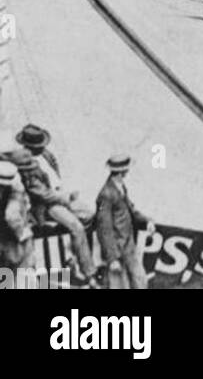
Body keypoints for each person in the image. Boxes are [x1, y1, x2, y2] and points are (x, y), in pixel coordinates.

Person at [12, 124, 96, 285]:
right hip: (47, 206)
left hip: (61, 195)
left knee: (90, 214)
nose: (42, 148)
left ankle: (73, 255)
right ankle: (88, 272)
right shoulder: (25, 166)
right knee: (76, 226)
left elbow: (56, 177)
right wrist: (65, 199)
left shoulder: (46, 155)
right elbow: (42, 194)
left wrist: (68, 193)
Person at [95, 152, 153, 289]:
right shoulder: (106, 194)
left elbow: (131, 210)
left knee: (141, 281)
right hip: (117, 250)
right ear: (122, 172)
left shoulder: (120, 187)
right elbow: (105, 229)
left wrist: (147, 221)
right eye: (127, 169)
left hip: (128, 246)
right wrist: (112, 258)